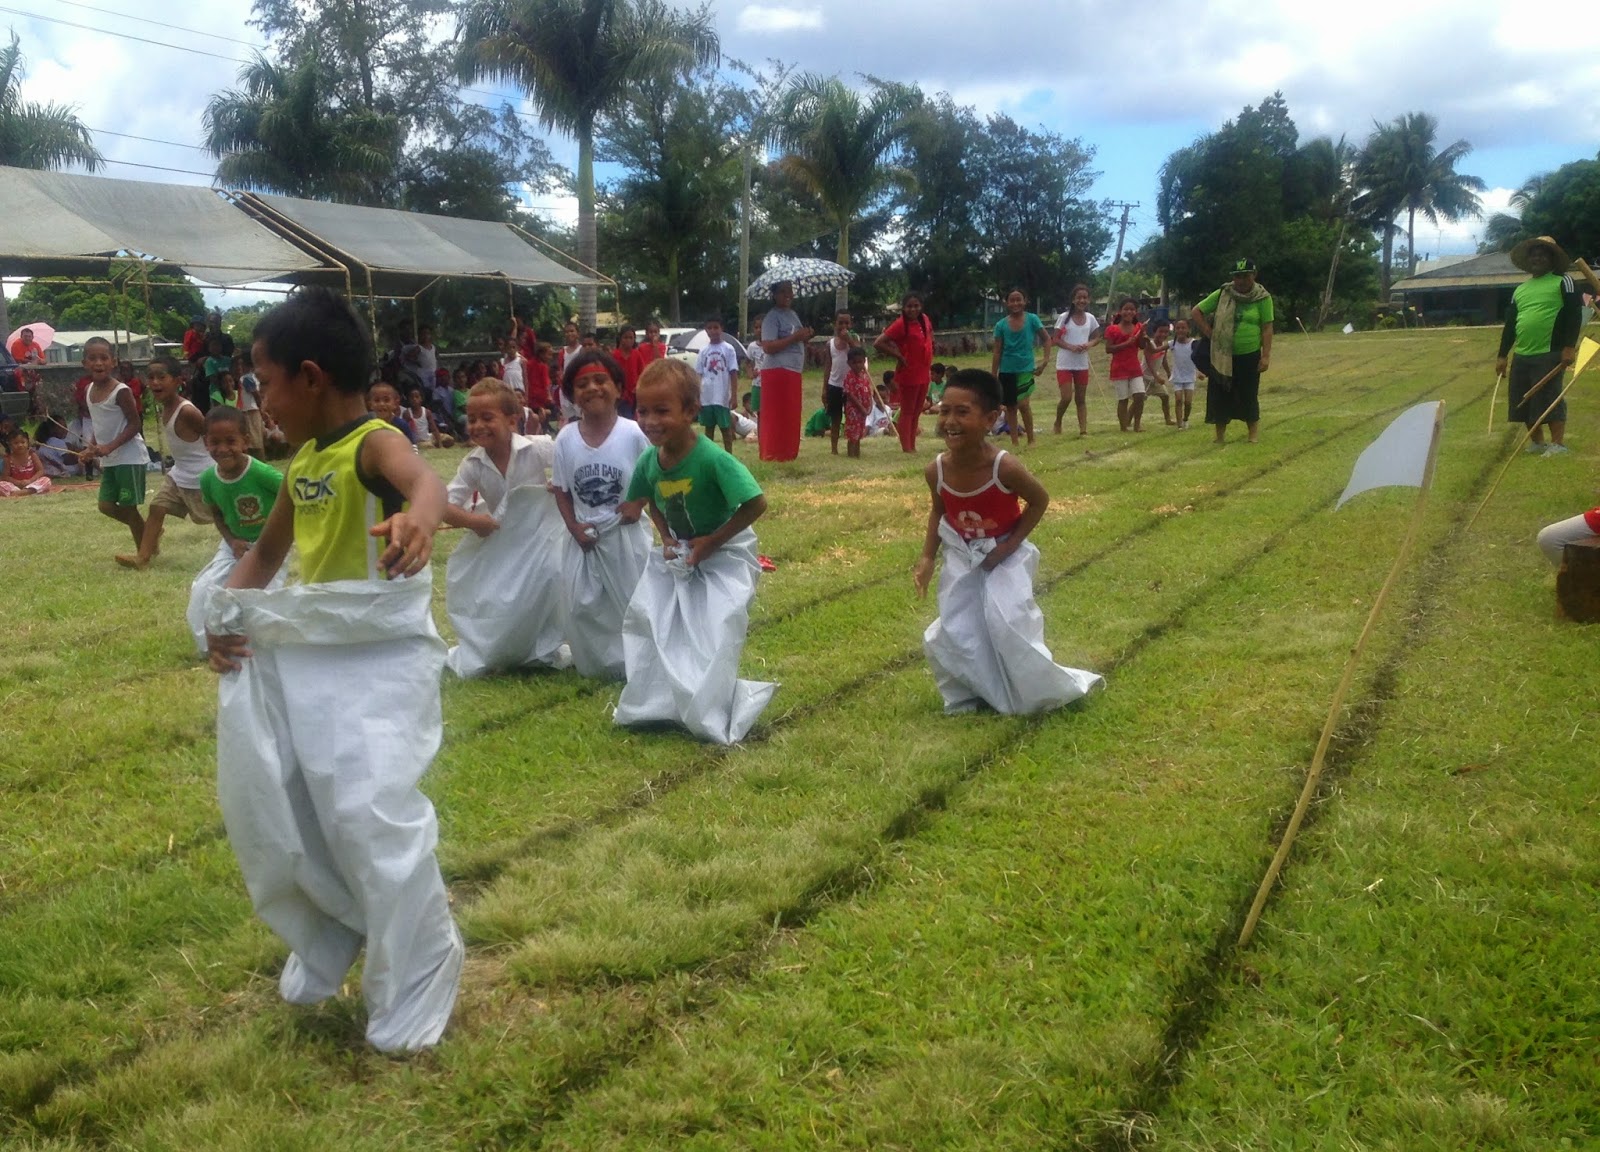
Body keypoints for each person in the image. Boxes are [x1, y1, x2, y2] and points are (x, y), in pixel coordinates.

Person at [205, 286, 463, 1054]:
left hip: (377, 664)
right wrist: (222, 618)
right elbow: (264, 556)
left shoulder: (373, 443)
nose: (261, 402)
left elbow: (426, 484)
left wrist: (419, 518)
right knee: (304, 807)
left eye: (265, 381)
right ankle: (337, 926)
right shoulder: (302, 465)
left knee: (369, 810)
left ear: (310, 377)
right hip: (314, 663)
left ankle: (422, 959)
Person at [913, 368, 1103, 714]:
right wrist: (927, 558)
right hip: (962, 555)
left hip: (1006, 553)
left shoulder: (1004, 467)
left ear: (991, 418)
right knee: (957, 626)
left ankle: (1035, 688)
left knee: (1008, 621)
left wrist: (1007, 547)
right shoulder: (936, 470)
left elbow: (1039, 501)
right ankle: (975, 689)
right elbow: (939, 511)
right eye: (944, 411)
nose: (950, 421)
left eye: (962, 412)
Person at [614, 358, 774, 743]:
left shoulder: (713, 460)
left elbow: (756, 503)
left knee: (715, 626)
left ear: (690, 412)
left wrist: (712, 541)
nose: (650, 421)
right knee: (660, 624)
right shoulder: (649, 460)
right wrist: (666, 537)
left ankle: (712, 704)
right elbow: (649, 498)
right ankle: (666, 699)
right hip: (683, 553)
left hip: (725, 551)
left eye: (662, 411)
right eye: (643, 411)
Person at [552, 349, 652, 680]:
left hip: (625, 534)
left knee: (632, 599)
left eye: (600, 380)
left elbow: (652, 477)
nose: (592, 388)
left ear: (619, 389)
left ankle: (636, 661)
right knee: (585, 605)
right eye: (582, 384)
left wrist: (637, 504)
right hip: (584, 536)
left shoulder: (633, 433)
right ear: (571, 396)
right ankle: (597, 662)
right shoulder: (566, 438)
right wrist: (573, 527)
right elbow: (562, 490)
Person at [187, 406, 284, 654]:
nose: (222, 449)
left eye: (230, 441)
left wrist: (276, 538)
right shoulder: (208, 479)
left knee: (264, 594)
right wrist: (232, 542)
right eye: (214, 442)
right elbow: (217, 514)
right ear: (205, 443)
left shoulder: (261, 473)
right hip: (234, 543)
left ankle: (265, 644)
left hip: (270, 543)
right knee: (204, 588)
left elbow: (290, 496)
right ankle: (209, 647)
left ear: (246, 441)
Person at [116, 356, 213, 569]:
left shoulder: (187, 411)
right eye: (151, 377)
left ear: (178, 381)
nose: (155, 382)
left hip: (201, 476)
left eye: (161, 377)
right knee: (157, 508)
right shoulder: (165, 408)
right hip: (179, 473)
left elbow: (211, 435)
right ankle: (142, 558)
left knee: (220, 514)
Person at [1497, 235, 1582, 455]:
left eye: (1543, 254)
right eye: (1534, 255)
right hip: (1522, 354)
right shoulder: (1520, 290)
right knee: (1524, 399)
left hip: (1550, 352)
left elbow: (1574, 314)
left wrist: (1569, 347)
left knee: (1550, 397)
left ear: (1552, 259)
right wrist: (1502, 355)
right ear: (1528, 260)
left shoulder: (1563, 281)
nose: (1538, 258)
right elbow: (1510, 324)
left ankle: (1558, 444)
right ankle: (1537, 443)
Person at [1191, 257, 1274, 445]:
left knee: (1249, 394)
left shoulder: (1263, 297)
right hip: (1222, 355)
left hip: (1250, 354)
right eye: (1237, 276)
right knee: (1220, 394)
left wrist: (1266, 356)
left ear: (1254, 275)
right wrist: (1209, 332)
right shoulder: (1223, 293)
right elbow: (1197, 311)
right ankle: (1219, 436)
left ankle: (1252, 435)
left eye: (1246, 276)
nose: (1241, 280)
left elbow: (1267, 327)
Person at [81, 337, 149, 550]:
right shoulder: (88, 390)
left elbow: (135, 424)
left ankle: (144, 552)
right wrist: (91, 447)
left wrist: (110, 446)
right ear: (84, 363)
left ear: (113, 362)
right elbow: (99, 424)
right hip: (110, 460)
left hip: (129, 457)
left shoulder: (121, 391)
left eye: (104, 358)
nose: (98, 363)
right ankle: (150, 531)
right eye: (92, 358)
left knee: (129, 508)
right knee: (105, 506)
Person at [758, 281, 814, 461]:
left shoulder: (792, 315)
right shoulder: (772, 317)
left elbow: (796, 339)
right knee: (777, 414)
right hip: (778, 370)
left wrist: (804, 336)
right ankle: (773, 452)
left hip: (793, 370)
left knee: (790, 413)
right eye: (782, 291)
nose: (787, 295)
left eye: (790, 291)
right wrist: (795, 337)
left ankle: (788, 451)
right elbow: (768, 347)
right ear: (774, 295)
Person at [875, 292, 936, 452]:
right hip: (909, 372)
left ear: (921, 306)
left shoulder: (924, 319)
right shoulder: (900, 324)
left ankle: (912, 445)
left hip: (924, 370)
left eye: (916, 306)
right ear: (903, 308)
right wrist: (899, 356)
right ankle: (906, 447)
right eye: (909, 306)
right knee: (907, 411)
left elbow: (930, 334)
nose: (913, 309)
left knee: (917, 411)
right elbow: (879, 343)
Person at [990, 289, 1047, 447]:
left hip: (1025, 369)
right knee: (1011, 408)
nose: (1016, 303)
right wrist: (993, 374)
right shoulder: (1001, 325)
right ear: (1006, 303)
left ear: (1025, 301)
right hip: (1006, 370)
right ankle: (1014, 441)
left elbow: (1047, 339)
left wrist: (1045, 360)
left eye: (1018, 299)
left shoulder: (1032, 319)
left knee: (1023, 404)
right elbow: (997, 351)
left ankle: (1031, 439)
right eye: (1012, 300)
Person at [1052, 284, 1101, 436]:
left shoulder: (1090, 318)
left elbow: (1097, 337)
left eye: (1085, 297)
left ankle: (1083, 430)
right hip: (1065, 364)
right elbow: (1055, 339)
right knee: (1066, 397)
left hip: (1081, 364)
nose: (1082, 300)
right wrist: (1070, 347)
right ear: (1073, 300)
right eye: (1079, 297)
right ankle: (1058, 421)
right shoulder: (1064, 317)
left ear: (1089, 300)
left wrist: (1089, 344)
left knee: (1081, 399)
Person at [694, 318, 743, 453]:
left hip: (721, 396)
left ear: (721, 328)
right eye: (709, 328)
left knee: (725, 428)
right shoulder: (703, 350)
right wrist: (697, 396)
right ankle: (709, 455)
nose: (713, 331)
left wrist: (734, 396)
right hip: (706, 396)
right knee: (709, 429)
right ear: (706, 330)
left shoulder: (728, 349)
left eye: (716, 327)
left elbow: (733, 372)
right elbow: (698, 374)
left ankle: (729, 456)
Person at [1104, 298, 1147, 433]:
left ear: (1136, 312)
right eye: (1126, 309)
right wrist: (1126, 343)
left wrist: (1142, 335)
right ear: (1120, 311)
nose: (1129, 312)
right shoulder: (1112, 329)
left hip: (1134, 367)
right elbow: (1108, 349)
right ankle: (1123, 427)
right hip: (1119, 368)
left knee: (1140, 395)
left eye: (1132, 309)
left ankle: (1137, 424)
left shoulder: (1138, 327)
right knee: (1123, 399)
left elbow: (1142, 346)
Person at [824, 311, 859, 455]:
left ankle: (853, 447)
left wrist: (849, 341)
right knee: (835, 418)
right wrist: (825, 389)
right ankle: (834, 448)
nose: (844, 326)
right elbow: (828, 366)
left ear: (851, 324)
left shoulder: (855, 339)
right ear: (835, 324)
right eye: (841, 323)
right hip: (835, 385)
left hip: (852, 386)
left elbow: (859, 354)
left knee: (853, 417)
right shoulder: (830, 344)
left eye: (847, 323)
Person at [842, 345, 874, 458]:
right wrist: (861, 408)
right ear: (849, 363)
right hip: (854, 410)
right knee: (853, 434)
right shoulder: (849, 377)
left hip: (863, 411)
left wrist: (869, 406)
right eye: (854, 363)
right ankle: (851, 455)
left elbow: (869, 391)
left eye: (860, 362)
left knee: (859, 433)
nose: (858, 365)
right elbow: (850, 395)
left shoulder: (864, 376)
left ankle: (857, 454)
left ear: (864, 361)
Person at [1169, 318, 1201, 429]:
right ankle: (1179, 424)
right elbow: (1157, 349)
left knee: (1188, 402)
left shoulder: (1193, 343)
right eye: (1178, 328)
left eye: (1183, 328)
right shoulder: (1172, 343)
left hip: (1189, 376)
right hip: (1177, 376)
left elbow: (1199, 357)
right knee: (1178, 400)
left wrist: (1200, 371)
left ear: (1188, 329)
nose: (1180, 330)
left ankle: (1185, 419)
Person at [1143, 319, 1175, 427]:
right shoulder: (1149, 344)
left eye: (1166, 332)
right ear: (1154, 332)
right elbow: (1149, 363)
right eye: (1160, 331)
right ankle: (1128, 420)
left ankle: (1168, 420)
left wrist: (1169, 373)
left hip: (1155, 378)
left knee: (1165, 396)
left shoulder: (1164, 345)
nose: (1163, 334)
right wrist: (1156, 377)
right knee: (1140, 400)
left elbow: (1164, 360)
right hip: (1145, 377)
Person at [0, 427, 50, 495]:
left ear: (28, 443)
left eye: (23, 442)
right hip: (15, 486)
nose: (20, 445)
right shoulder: (8, 459)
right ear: (10, 445)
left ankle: (26, 491)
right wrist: (18, 483)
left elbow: (40, 471)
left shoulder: (32, 455)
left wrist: (30, 480)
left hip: (32, 483)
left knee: (46, 480)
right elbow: (5, 477)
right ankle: (19, 492)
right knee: (1, 484)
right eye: (16, 443)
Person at [234, 349, 266, 456]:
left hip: (250, 410)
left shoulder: (246, 378)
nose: (239, 367)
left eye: (241, 364)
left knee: (254, 439)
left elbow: (255, 394)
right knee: (256, 437)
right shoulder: (253, 377)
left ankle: (258, 458)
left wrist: (261, 407)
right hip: (252, 409)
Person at [614, 325, 640, 417]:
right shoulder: (614, 355)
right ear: (620, 339)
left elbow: (642, 372)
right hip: (620, 394)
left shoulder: (636, 354)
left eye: (631, 338)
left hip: (634, 394)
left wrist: (638, 386)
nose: (628, 340)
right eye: (625, 337)